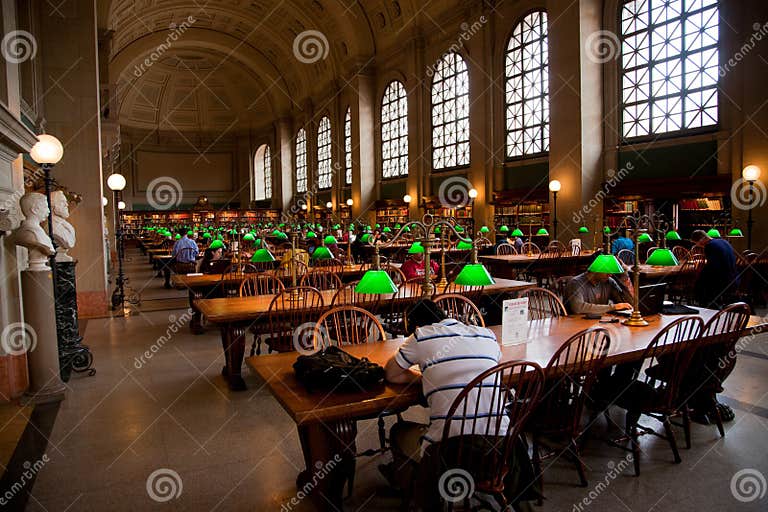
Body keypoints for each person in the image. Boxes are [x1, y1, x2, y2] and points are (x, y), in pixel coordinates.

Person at [381, 300, 538, 509]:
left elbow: (391, 373)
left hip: (448, 452)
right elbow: (487, 370)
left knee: (398, 430)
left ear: (417, 326)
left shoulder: (421, 336)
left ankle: (414, 489)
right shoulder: (486, 335)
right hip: (499, 448)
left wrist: (427, 378)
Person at [691, 229, 738, 308]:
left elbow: (713, 267)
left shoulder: (710, 246)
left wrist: (701, 274)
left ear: (701, 239)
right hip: (734, 278)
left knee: (700, 284)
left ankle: (707, 308)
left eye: (697, 243)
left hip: (723, 281)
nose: (698, 245)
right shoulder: (724, 241)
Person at [564, 265, 633, 314]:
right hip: (576, 327)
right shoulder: (575, 283)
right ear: (595, 269)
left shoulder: (608, 281)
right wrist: (613, 307)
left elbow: (629, 304)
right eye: (607, 270)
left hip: (599, 325)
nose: (610, 274)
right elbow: (578, 308)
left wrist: (622, 278)